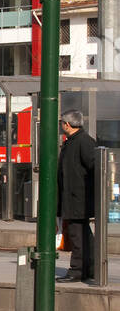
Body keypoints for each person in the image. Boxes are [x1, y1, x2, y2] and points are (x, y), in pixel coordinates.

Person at [57, 109, 96, 282]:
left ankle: (78, 270)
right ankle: (88, 268)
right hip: (76, 197)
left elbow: (94, 166)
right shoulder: (75, 141)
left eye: (61, 123)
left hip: (78, 198)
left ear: (67, 124)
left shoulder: (81, 142)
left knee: (77, 234)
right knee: (82, 233)